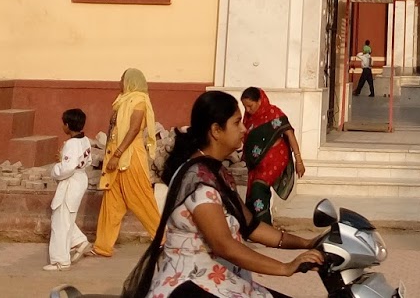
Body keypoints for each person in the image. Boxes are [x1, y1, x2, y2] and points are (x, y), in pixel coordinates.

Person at [120, 90, 322, 298]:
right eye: (236, 123)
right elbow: (224, 245)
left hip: (220, 281)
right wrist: (285, 268)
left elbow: (251, 227)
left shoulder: (216, 172)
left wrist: (307, 243)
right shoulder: (199, 181)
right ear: (216, 130)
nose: (244, 129)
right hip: (192, 285)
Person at [91, 68, 165, 258]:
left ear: (131, 81)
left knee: (141, 199)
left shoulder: (139, 100)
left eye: (122, 79)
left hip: (130, 157)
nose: (119, 82)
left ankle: (163, 238)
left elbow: (133, 130)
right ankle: (103, 246)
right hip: (115, 156)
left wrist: (117, 154)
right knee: (112, 202)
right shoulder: (121, 100)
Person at [239, 88, 305, 227]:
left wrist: (298, 160)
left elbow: (289, 135)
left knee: (259, 187)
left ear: (259, 101)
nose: (248, 110)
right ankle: (253, 226)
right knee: (253, 191)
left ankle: (265, 226)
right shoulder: (249, 119)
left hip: (276, 157)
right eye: (245, 106)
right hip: (257, 162)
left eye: (250, 106)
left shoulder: (273, 113)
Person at [46, 108, 95, 271]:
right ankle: (79, 242)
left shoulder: (71, 144)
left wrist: (55, 169)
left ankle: (61, 261)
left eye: (63, 123)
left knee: (61, 220)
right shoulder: (85, 140)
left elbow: (67, 168)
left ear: (67, 125)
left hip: (70, 181)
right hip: (80, 178)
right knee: (65, 216)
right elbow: (87, 160)